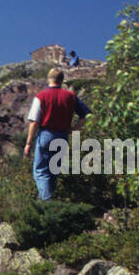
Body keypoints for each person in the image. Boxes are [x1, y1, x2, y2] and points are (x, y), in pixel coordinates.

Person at [23, 67, 90, 200]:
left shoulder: (41, 96)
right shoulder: (70, 96)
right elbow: (86, 114)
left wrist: (28, 143)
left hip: (46, 135)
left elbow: (34, 122)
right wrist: (74, 129)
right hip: (62, 137)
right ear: (61, 80)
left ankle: (46, 203)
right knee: (53, 171)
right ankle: (46, 202)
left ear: (49, 79)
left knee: (41, 172)